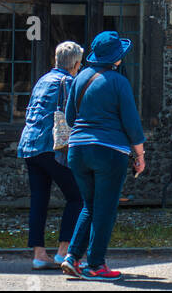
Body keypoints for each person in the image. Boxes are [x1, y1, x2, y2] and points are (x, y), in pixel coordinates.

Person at [61, 30, 145, 280]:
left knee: (90, 205)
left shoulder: (79, 78)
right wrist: (140, 154)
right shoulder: (119, 81)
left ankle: (72, 257)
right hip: (109, 151)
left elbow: (69, 118)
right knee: (105, 209)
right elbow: (132, 123)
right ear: (116, 58)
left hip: (77, 151)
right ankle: (96, 265)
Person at [17, 40, 85, 269]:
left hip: (30, 146)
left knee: (39, 199)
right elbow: (72, 116)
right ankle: (63, 251)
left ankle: (39, 254)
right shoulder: (69, 81)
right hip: (51, 147)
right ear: (75, 63)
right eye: (80, 63)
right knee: (77, 197)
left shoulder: (42, 80)